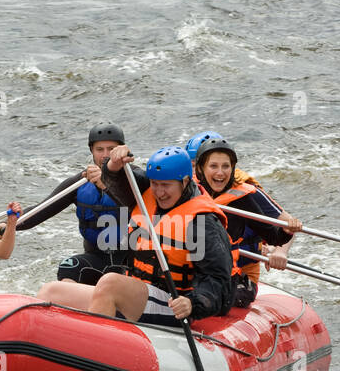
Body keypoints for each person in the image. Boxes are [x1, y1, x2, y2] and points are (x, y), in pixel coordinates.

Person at [36, 145, 232, 327]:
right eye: (155, 184)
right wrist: (113, 163)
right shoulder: (143, 196)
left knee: (110, 284)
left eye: (166, 185)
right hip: (137, 292)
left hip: (175, 304)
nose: (159, 192)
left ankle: (92, 348)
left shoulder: (202, 222)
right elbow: (119, 180)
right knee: (51, 291)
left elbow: (216, 280)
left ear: (185, 182)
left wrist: (192, 303)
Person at [14, 123, 140, 285]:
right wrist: (7, 226)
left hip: (130, 259)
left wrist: (107, 184)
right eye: (99, 149)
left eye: (111, 149)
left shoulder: (137, 178)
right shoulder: (80, 182)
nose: (105, 155)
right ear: (92, 152)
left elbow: (144, 210)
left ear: (121, 150)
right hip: (96, 257)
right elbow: (40, 211)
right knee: (68, 268)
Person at [193, 136, 302, 308]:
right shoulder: (188, 190)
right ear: (200, 168)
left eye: (225, 166)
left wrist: (286, 236)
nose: (220, 172)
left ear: (233, 168)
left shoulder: (244, 197)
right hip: (198, 270)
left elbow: (275, 235)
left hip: (235, 274)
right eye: (213, 166)